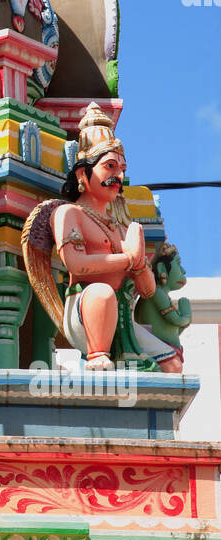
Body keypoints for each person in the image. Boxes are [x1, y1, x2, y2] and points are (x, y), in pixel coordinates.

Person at [51, 103, 180, 372]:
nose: (118, 175)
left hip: (122, 317)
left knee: (172, 366)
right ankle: (98, 357)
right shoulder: (69, 213)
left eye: (121, 168)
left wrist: (140, 262)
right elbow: (76, 265)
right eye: (109, 166)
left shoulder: (121, 226)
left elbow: (146, 291)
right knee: (102, 292)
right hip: (85, 310)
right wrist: (126, 259)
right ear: (82, 174)